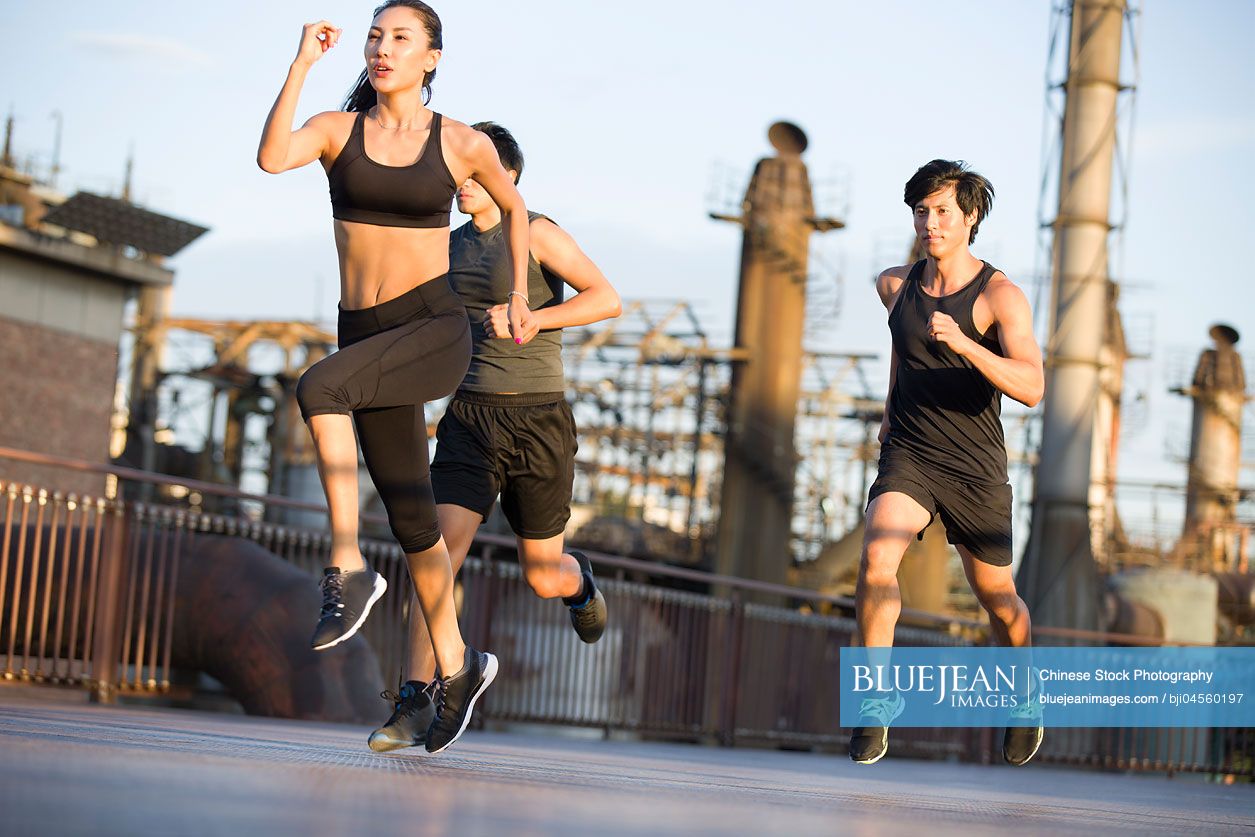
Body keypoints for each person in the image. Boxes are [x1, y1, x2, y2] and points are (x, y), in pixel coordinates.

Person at [257, 1, 532, 754]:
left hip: (432, 325)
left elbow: (513, 207)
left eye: (400, 38)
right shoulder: (337, 130)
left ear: (431, 58)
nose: (382, 48)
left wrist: (513, 293)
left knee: (318, 388)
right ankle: (459, 663)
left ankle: (347, 564)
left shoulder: (460, 142)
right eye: (375, 37)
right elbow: (272, 156)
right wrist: (301, 64)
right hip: (365, 332)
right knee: (415, 523)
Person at [368, 122, 621, 752]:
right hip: (471, 420)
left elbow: (606, 298)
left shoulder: (536, 232)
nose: (458, 185)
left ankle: (578, 582)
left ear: (503, 179)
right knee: (435, 558)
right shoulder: (447, 248)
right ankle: (415, 697)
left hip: (538, 421)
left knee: (540, 574)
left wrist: (536, 317)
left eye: (471, 174)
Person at [850, 160, 1045, 766]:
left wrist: (963, 342)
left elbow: (1033, 386)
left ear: (970, 218)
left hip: (975, 466)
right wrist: (889, 409)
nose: (929, 223)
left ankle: (1024, 695)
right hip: (910, 449)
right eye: (920, 212)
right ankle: (876, 701)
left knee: (998, 599)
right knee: (879, 552)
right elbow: (901, 350)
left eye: (941, 212)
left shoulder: (998, 296)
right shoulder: (893, 285)